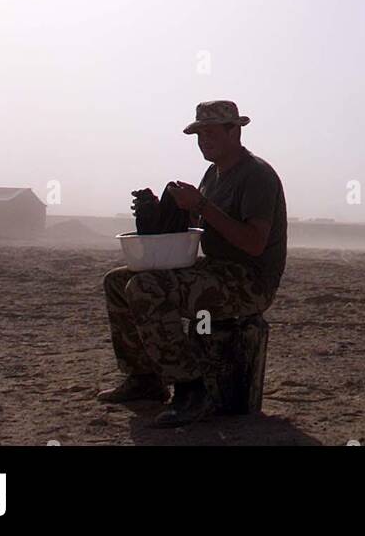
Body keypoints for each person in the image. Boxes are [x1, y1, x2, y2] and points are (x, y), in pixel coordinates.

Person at [98, 100, 287, 428]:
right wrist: (166, 211)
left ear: (235, 131)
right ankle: (144, 378)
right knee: (118, 281)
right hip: (216, 269)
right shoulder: (213, 175)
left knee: (146, 287)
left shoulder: (256, 175)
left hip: (249, 281)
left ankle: (191, 389)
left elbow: (254, 244)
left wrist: (201, 204)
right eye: (199, 135)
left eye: (211, 133)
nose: (204, 141)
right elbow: (200, 222)